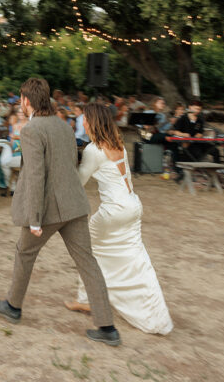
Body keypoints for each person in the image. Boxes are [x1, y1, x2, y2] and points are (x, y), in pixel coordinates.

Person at [0, 77, 121, 347]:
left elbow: (36, 175)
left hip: (49, 210)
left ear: (25, 101)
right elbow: (70, 163)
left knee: (24, 253)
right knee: (87, 262)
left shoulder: (31, 129)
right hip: (74, 205)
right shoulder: (64, 126)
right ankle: (107, 327)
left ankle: (13, 307)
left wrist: (34, 217)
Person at [63, 103, 173, 335]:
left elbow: (78, 183)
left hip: (113, 211)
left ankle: (87, 299)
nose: (82, 122)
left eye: (85, 119)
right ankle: (156, 316)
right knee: (137, 261)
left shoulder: (94, 150)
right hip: (133, 207)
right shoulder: (117, 144)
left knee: (87, 251)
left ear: (92, 122)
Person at [170, 100, 220, 164]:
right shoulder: (182, 118)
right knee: (198, 153)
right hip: (187, 143)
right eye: (196, 109)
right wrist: (183, 134)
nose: (197, 111)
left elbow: (200, 132)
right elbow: (175, 131)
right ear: (190, 107)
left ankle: (217, 169)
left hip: (198, 142)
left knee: (215, 150)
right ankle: (200, 169)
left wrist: (199, 135)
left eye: (199, 109)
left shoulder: (200, 119)